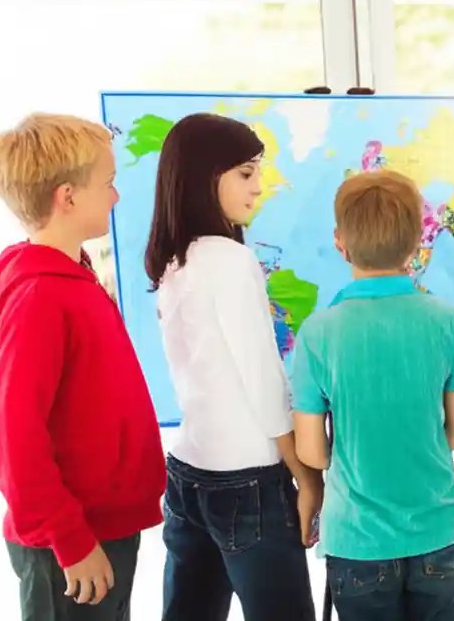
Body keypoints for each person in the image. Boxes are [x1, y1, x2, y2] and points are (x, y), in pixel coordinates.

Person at [0, 113, 165, 621]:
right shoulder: (41, 296)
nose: (116, 196)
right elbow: (13, 437)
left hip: (99, 530)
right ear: (67, 196)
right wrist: (70, 541)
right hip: (72, 542)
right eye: (107, 184)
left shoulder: (72, 278)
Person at [144, 113, 318, 621]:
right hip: (248, 478)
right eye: (245, 173)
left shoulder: (174, 259)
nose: (258, 187)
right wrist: (306, 477)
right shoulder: (229, 259)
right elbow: (264, 385)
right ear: (205, 176)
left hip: (188, 470)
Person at [290, 169, 454, 621]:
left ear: (340, 242)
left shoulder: (318, 331)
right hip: (439, 533)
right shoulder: (444, 319)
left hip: (358, 541)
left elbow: (312, 452)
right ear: (415, 244)